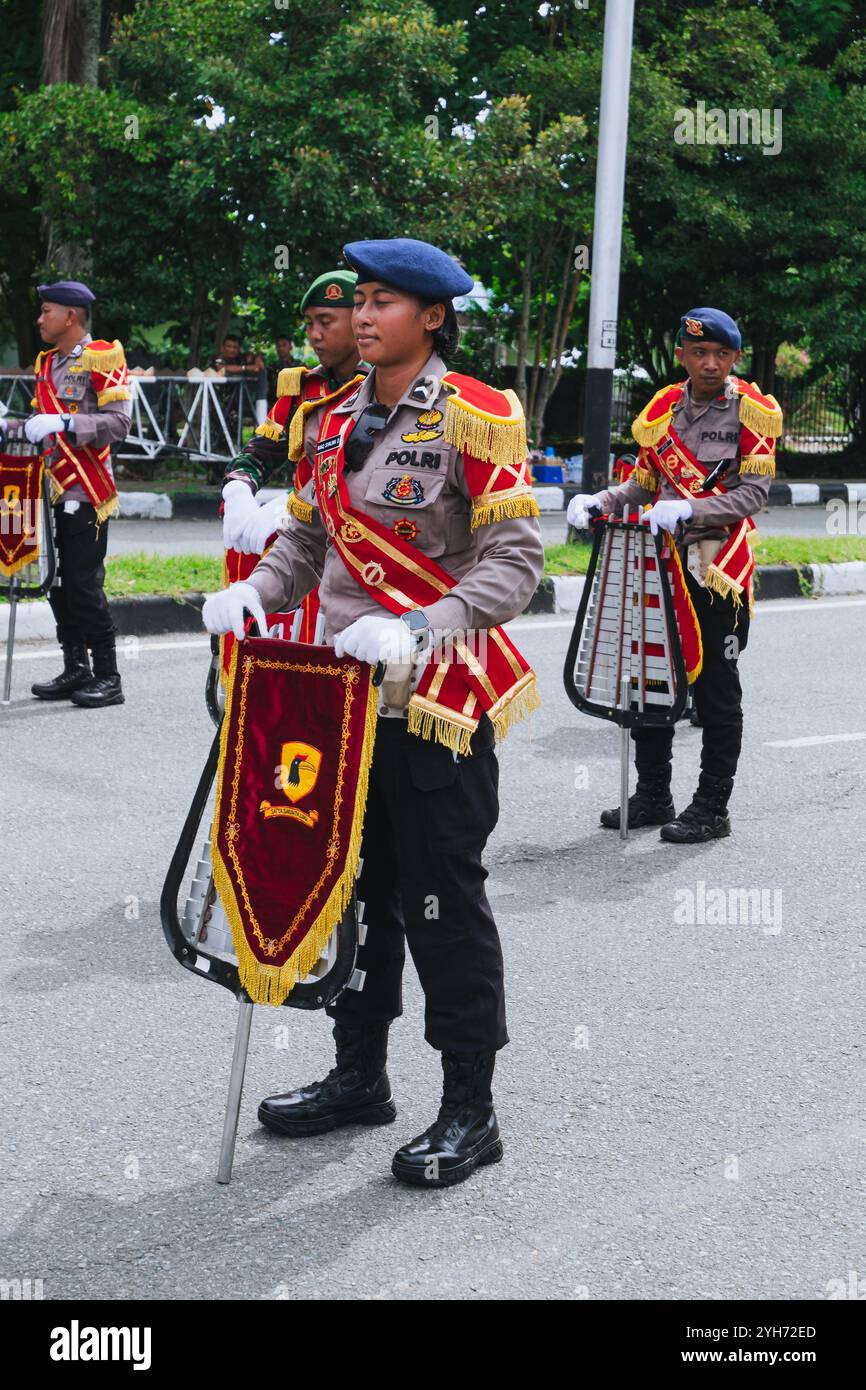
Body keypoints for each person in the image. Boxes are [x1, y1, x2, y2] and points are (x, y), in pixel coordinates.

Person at [203, 237, 544, 1187]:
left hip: (437, 700)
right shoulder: (330, 418)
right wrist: (258, 594)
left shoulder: (480, 416)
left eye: (386, 302)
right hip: (341, 705)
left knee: (440, 903)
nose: (363, 315)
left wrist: (422, 625)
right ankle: (359, 1076)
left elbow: (515, 565)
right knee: (351, 895)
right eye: (360, 300)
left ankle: (469, 1108)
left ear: (431, 317)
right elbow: (311, 545)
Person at [568, 307, 782, 843]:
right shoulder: (663, 408)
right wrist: (600, 499)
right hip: (658, 565)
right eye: (699, 354)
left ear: (735, 358)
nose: (710, 364)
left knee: (715, 691)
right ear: (682, 355)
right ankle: (653, 795)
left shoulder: (752, 411)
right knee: (649, 680)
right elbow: (643, 484)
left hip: (715, 569)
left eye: (722, 355)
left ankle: (712, 807)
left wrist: (693, 510)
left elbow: (754, 493)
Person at [0, 280, 131, 707]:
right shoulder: (45, 363)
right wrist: (11, 426)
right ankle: (76, 667)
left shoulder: (103, 355)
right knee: (55, 581)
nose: (40, 319)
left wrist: (68, 423)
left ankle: (109, 676)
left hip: (86, 489)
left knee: (83, 583)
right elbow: (42, 423)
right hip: (48, 485)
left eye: (46, 311)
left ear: (71, 316)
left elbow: (118, 424)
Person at [221, 270, 364, 557]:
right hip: (305, 545)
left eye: (325, 322)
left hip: (365, 545)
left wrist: (289, 501)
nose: (314, 335)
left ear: (359, 321)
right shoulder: (302, 390)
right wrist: (238, 491)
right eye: (309, 324)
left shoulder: (386, 387)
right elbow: (258, 455)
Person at [267, 335, 302, 402]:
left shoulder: (299, 366)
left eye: (284, 345)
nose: (280, 348)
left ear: (291, 347)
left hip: (296, 405)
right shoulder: (271, 367)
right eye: (278, 346)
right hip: (275, 404)